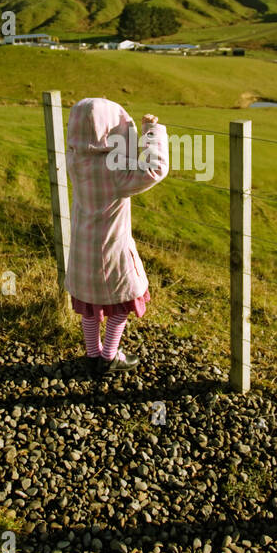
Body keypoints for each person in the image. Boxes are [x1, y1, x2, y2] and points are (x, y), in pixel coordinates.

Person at [65, 97, 169, 374]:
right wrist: (151, 131)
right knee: (123, 300)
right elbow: (155, 168)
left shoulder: (75, 158)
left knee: (89, 303)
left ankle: (91, 355)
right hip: (111, 247)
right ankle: (109, 357)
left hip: (83, 246)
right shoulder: (116, 171)